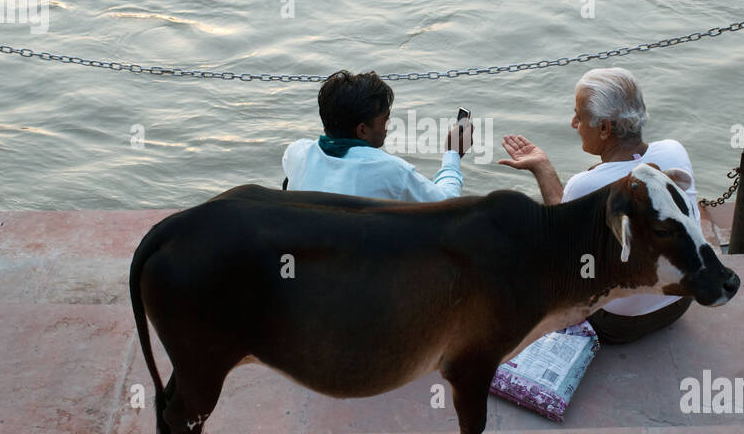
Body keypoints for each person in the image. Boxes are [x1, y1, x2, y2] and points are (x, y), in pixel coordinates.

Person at [498, 66, 699, 344]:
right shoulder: (674, 150)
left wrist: (541, 167)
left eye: (579, 117)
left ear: (604, 128)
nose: (573, 123)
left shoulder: (586, 184)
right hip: (678, 303)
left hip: (618, 324)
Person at [282, 70, 469, 200]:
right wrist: (452, 155)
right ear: (362, 130)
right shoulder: (393, 172)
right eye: (385, 119)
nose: (389, 124)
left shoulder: (296, 153)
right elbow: (446, 204)